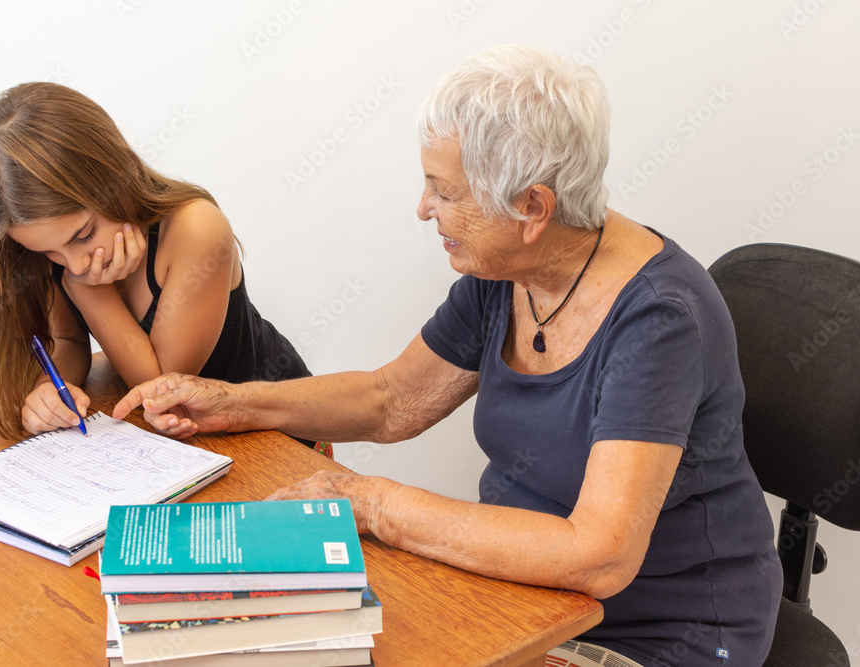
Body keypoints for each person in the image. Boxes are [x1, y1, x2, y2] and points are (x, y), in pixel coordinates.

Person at [114, 46, 781, 665]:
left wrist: (373, 503)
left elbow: (599, 556)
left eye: (446, 191)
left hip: (658, 631)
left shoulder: (660, 320)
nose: (424, 208)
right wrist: (232, 402)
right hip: (522, 594)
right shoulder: (508, 276)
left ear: (533, 207)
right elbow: (392, 399)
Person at [0, 81, 325, 454]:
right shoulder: (56, 245)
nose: (75, 263)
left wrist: (87, 290)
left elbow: (161, 387)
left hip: (280, 440)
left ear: (118, 175)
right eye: (50, 253)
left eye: (84, 236)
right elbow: (68, 341)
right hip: (191, 447)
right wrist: (48, 390)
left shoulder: (197, 229)